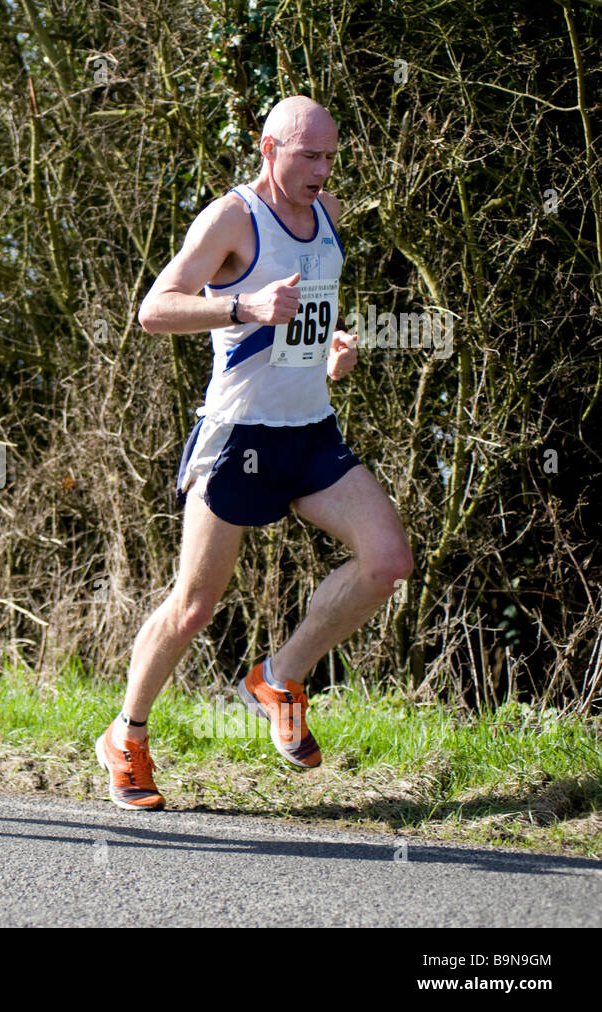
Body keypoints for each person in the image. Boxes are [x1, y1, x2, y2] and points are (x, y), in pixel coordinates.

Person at [97, 96, 414, 809]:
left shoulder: (326, 213)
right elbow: (155, 309)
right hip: (237, 435)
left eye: (331, 156)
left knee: (388, 562)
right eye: (309, 156)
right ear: (269, 150)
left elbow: (307, 315)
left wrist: (333, 349)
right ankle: (126, 734)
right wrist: (242, 306)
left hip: (309, 430)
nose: (322, 170)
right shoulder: (231, 218)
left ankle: (280, 676)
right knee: (195, 603)